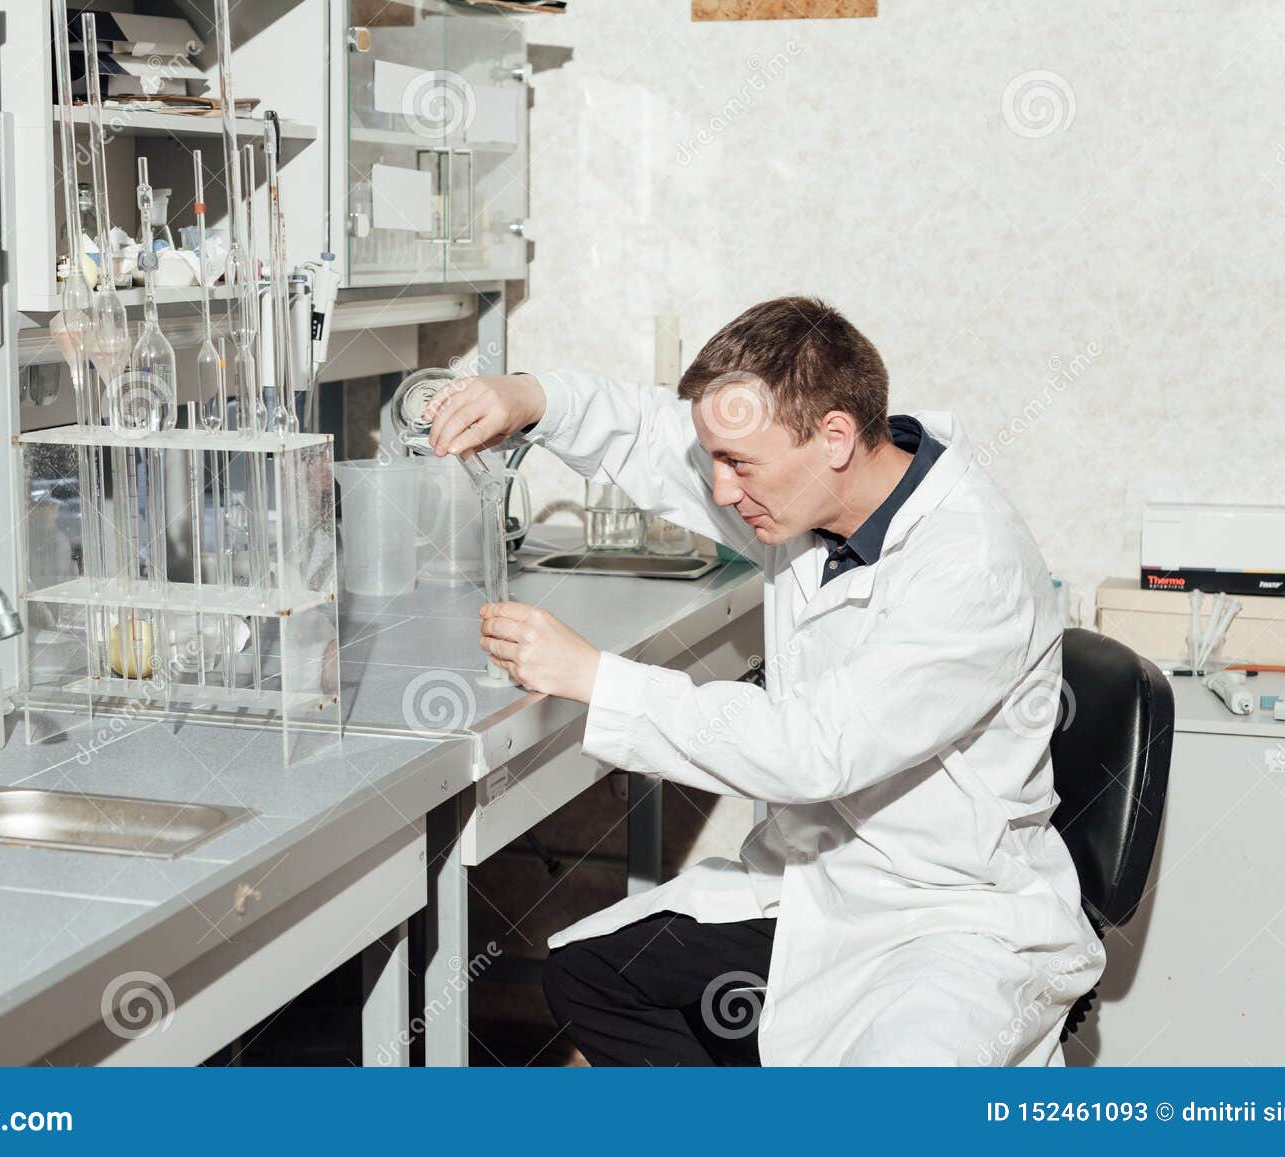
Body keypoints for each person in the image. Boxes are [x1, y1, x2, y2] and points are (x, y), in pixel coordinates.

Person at [423, 296, 1102, 1066]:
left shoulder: (969, 565)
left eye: (739, 464)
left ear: (836, 436)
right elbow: (649, 432)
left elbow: (814, 747)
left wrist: (595, 676)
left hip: (947, 916)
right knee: (592, 976)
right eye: (716, 458)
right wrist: (531, 398)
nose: (719, 491)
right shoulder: (814, 491)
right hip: (821, 885)